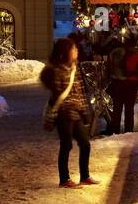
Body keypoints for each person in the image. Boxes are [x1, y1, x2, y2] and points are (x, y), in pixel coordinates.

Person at [41, 37, 99, 188]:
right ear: (65, 52)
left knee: (85, 144)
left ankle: (85, 175)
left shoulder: (75, 68)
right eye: (73, 49)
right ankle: (64, 179)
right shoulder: (57, 71)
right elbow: (57, 94)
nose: (76, 51)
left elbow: (80, 91)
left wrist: (85, 112)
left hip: (76, 113)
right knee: (66, 145)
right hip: (64, 115)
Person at [109, 33, 138, 135]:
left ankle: (115, 130)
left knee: (117, 108)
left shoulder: (116, 52)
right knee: (129, 109)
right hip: (131, 84)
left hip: (117, 83)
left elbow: (110, 67)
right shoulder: (137, 54)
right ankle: (128, 131)